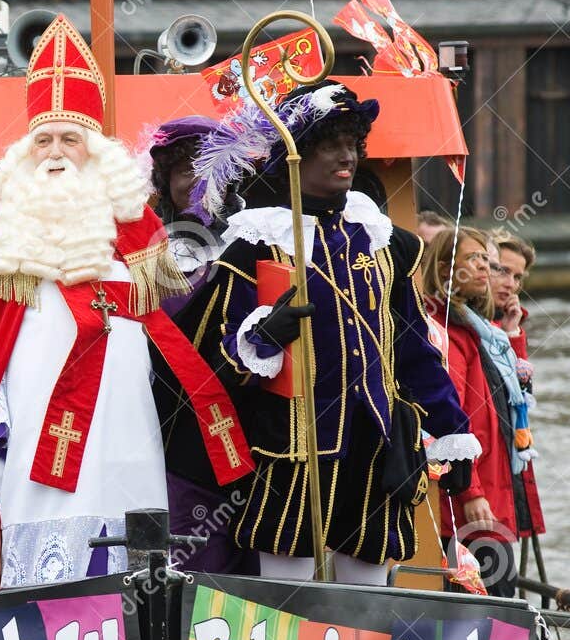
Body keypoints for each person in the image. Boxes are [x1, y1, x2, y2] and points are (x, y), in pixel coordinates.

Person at [0, 16, 252, 606]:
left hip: (129, 431)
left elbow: (173, 338)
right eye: (45, 140)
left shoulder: (140, 230)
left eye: (71, 139)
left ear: (96, 151)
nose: (57, 153)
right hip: (35, 440)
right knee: (50, 575)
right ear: (26, 151)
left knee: (136, 551)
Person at [186, 82, 477, 586]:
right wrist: (263, 339)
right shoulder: (256, 246)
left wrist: (451, 430)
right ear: (295, 154)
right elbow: (213, 361)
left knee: (367, 598)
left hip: (375, 444)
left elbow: (412, 348)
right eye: (329, 145)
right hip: (291, 447)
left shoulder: (384, 241)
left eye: (352, 144)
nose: (346, 156)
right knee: (285, 601)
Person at [150, 115, 257, 575]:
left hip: (255, 430)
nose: (197, 183)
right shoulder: (142, 252)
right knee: (193, 569)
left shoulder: (259, 238)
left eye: (209, 168)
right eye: (184, 172)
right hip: (177, 433)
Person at [420, 225, 522, 594]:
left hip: (493, 488)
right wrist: (472, 492)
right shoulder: (450, 332)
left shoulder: (479, 331)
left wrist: (515, 336)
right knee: (489, 601)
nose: (485, 268)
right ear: (447, 269)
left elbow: (509, 399)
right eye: (474, 259)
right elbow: (453, 417)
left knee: (500, 592)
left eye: (487, 260)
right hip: (473, 499)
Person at [490, 231, 546, 546]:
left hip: (505, 483)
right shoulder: (470, 328)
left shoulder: (507, 328)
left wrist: (513, 334)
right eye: (502, 270)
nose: (511, 284)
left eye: (517, 277)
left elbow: (521, 396)